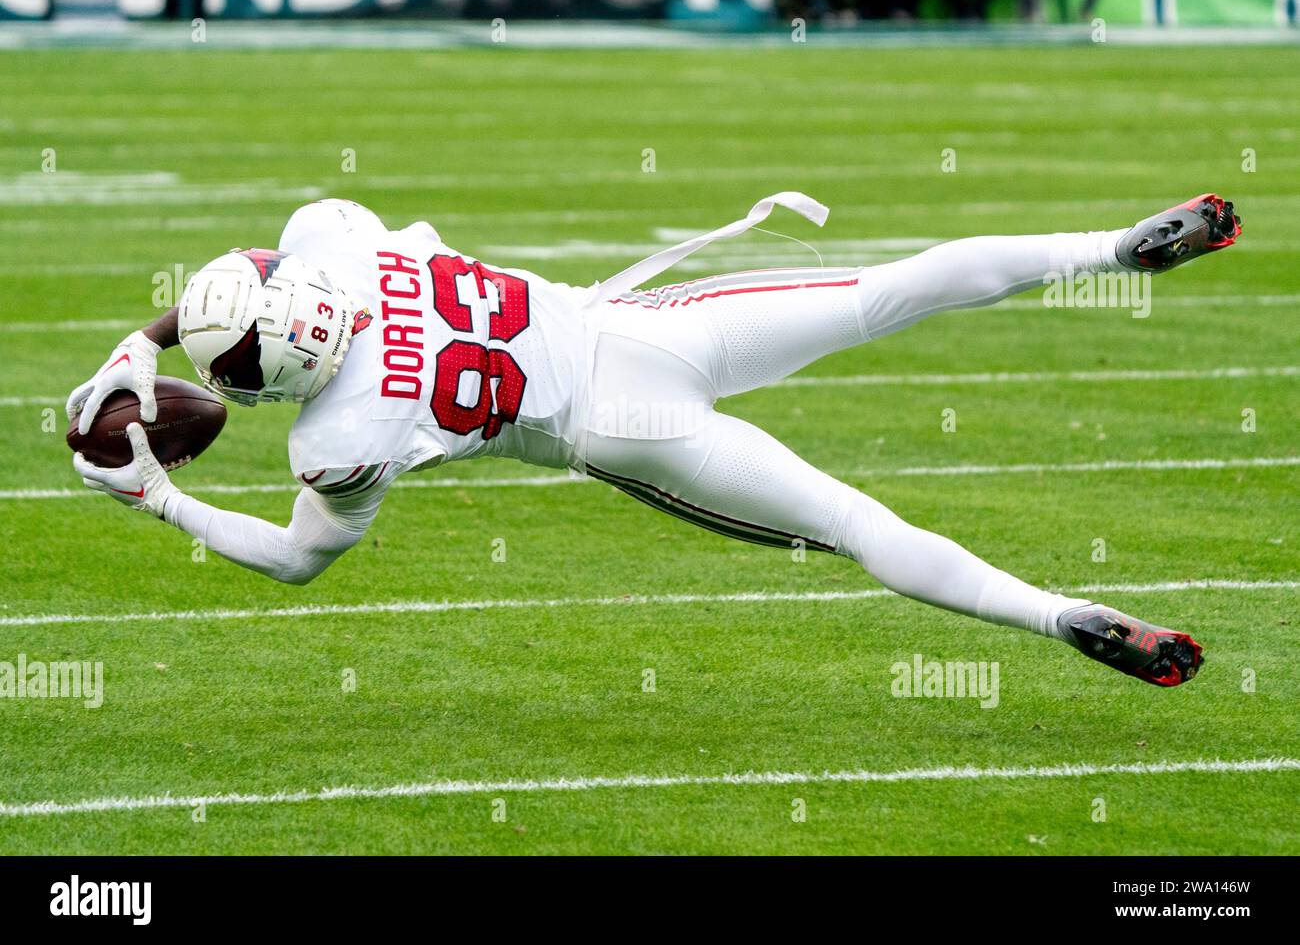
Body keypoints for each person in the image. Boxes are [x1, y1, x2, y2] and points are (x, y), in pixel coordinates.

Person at [68, 193, 1241, 687]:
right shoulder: (339, 243)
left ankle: (1056, 615)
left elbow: (294, 557)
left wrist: (159, 499)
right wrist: (142, 340)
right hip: (643, 331)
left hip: (625, 431)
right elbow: (270, 278)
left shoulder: (340, 434)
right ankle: (1108, 245)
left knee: (851, 525)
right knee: (891, 290)